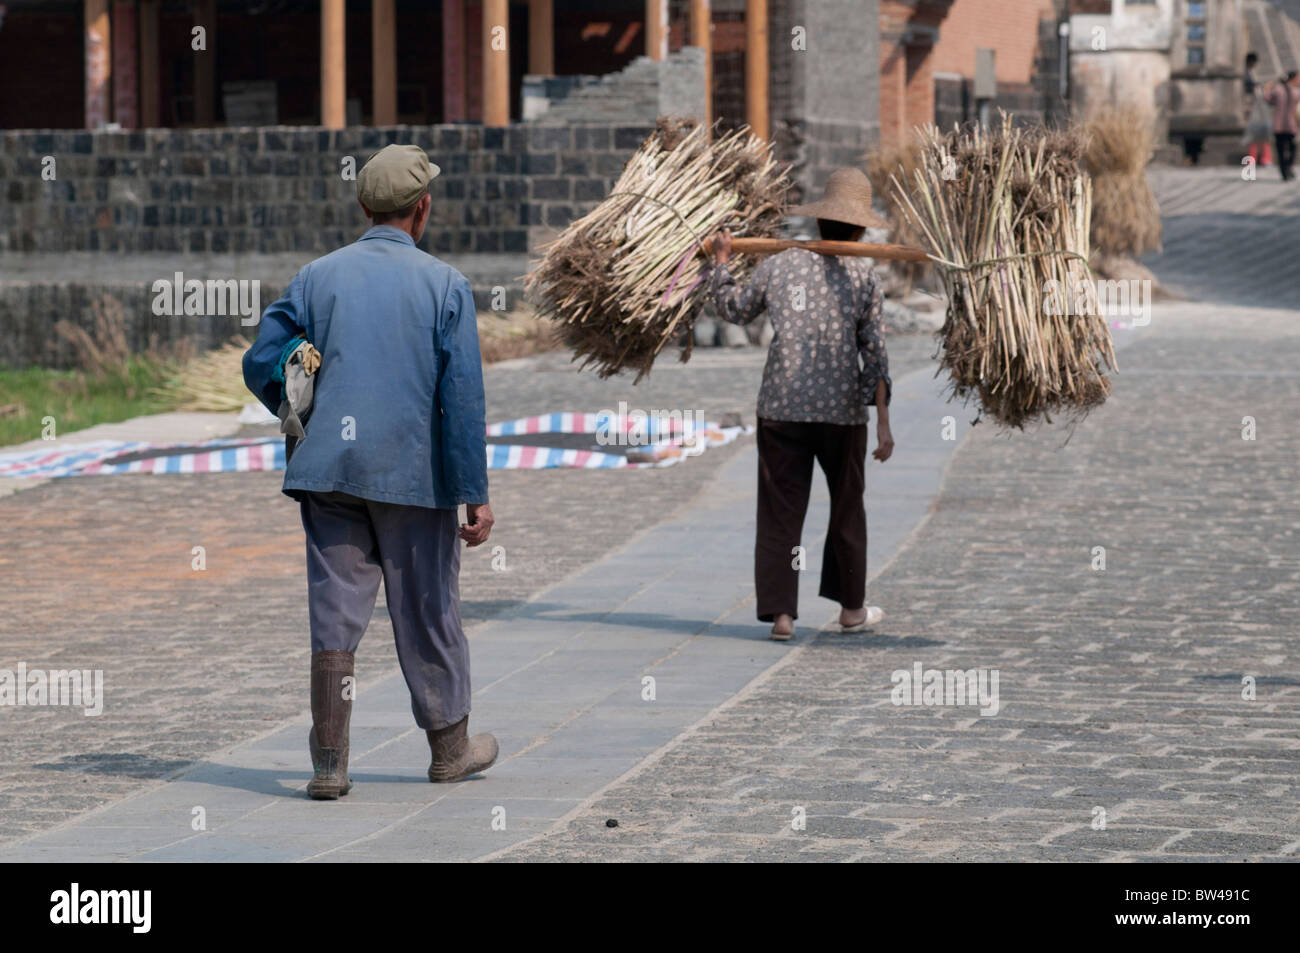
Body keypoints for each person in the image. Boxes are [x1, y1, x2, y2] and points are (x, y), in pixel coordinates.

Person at [242, 144, 499, 800]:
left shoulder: (316, 277)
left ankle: (330, 762)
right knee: (429, 606)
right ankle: (450, 748)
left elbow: (260, 359)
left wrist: (295, 394)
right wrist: (474, 492)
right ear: (423, 208)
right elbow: (462, 396)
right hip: (415, 474)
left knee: (335, 612)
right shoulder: (446, 285)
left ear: (363, 207)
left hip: (328, 468)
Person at [705, 168, 894, 642]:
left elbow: (734, 309)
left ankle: (782, 615)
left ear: (819, 223)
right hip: (842, 414)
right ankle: (852, 609)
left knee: (780, 511)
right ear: (860, 230)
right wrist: (885, 424)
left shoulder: (780, 264)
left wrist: (721, 262)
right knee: (847, 508)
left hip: (782, 407)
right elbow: (875, 356)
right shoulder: (865, 276)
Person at [1263, 71, 1299, 181]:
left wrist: (1267, 88)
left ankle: (1284, 171)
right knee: (1293, 148)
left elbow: (1267, 99)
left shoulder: (1277, 89)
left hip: (1279, 125)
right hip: (1291, 125)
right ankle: (1288, 167)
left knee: (1280, 149)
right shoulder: (1296, 91)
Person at [1243, 53, 1272, 168]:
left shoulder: (1250, 72)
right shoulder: (1245, 73)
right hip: (1253, 107)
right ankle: (1254, 159)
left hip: (1258, 109)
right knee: (1255, 135)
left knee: (1261, 134)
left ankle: (1262, 159)